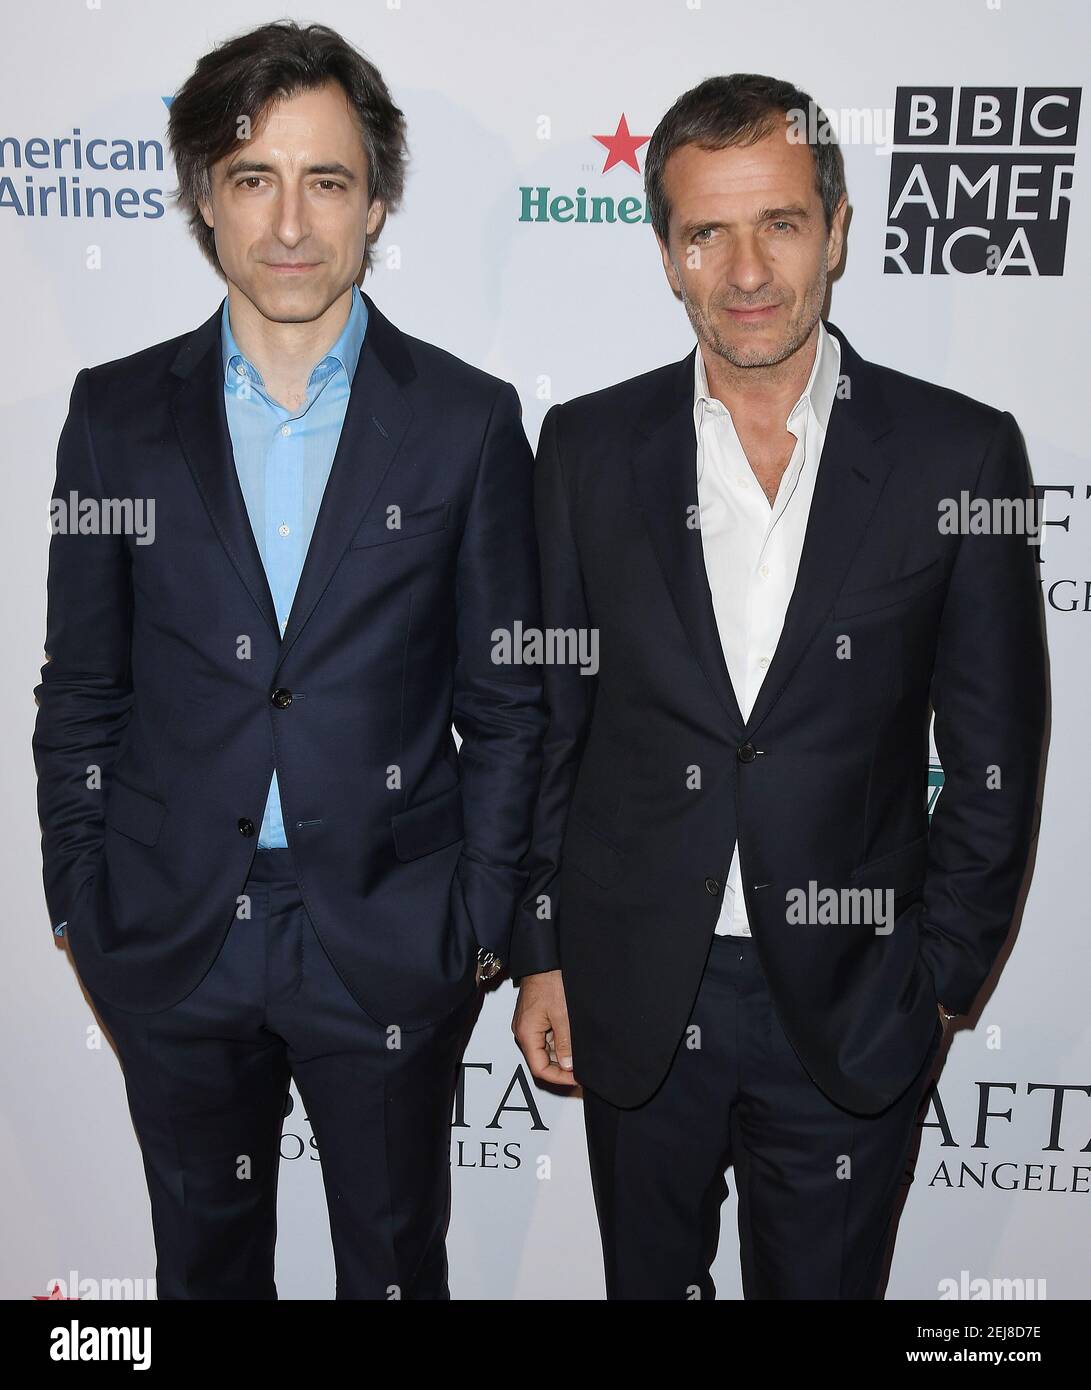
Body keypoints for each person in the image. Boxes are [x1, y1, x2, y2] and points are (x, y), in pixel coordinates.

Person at [511, 73, 1047, 1299]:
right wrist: (540, 947)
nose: (745, 270)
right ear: (665, 255)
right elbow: (554, 717)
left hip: (854, 1004)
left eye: (780, 224)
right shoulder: (587, 449)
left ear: (839, 230)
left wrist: (940, 981)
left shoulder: (960, 453)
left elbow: (993, 748)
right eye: (706, 232)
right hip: (635, 986)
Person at [33, 20, 544, 1300]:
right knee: (202, 1271)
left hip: (387, 930)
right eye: (252, 177)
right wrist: (78, 900)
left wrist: (477, 922)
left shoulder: (466, 420)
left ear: (376, 204)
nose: (290, 222)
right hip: (172, 930)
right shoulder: (113, 413)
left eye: (326, 180)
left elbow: (508, 697)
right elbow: (83, 686)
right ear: (204, 198)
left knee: (389, 1268)